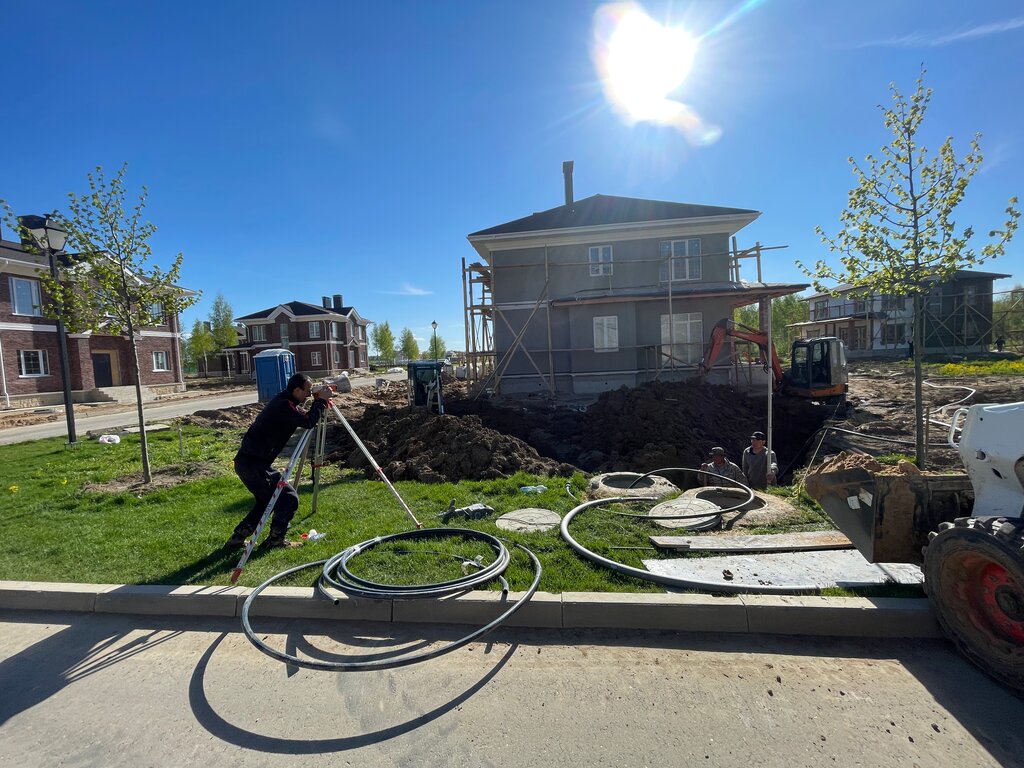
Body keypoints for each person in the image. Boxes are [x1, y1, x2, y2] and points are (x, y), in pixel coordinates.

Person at [227, 373, 333, 548]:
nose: (309, 393)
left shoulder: (284, 401)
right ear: (296, 390)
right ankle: (276, 540)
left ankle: (237, 538)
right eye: (307, 390)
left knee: (266, 501)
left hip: (250, 462)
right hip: (253, 464)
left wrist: (318, 401)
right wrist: (321, 401)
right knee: (288, 498)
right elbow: (308, 422)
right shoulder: (283, 405)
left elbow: (305, 416)